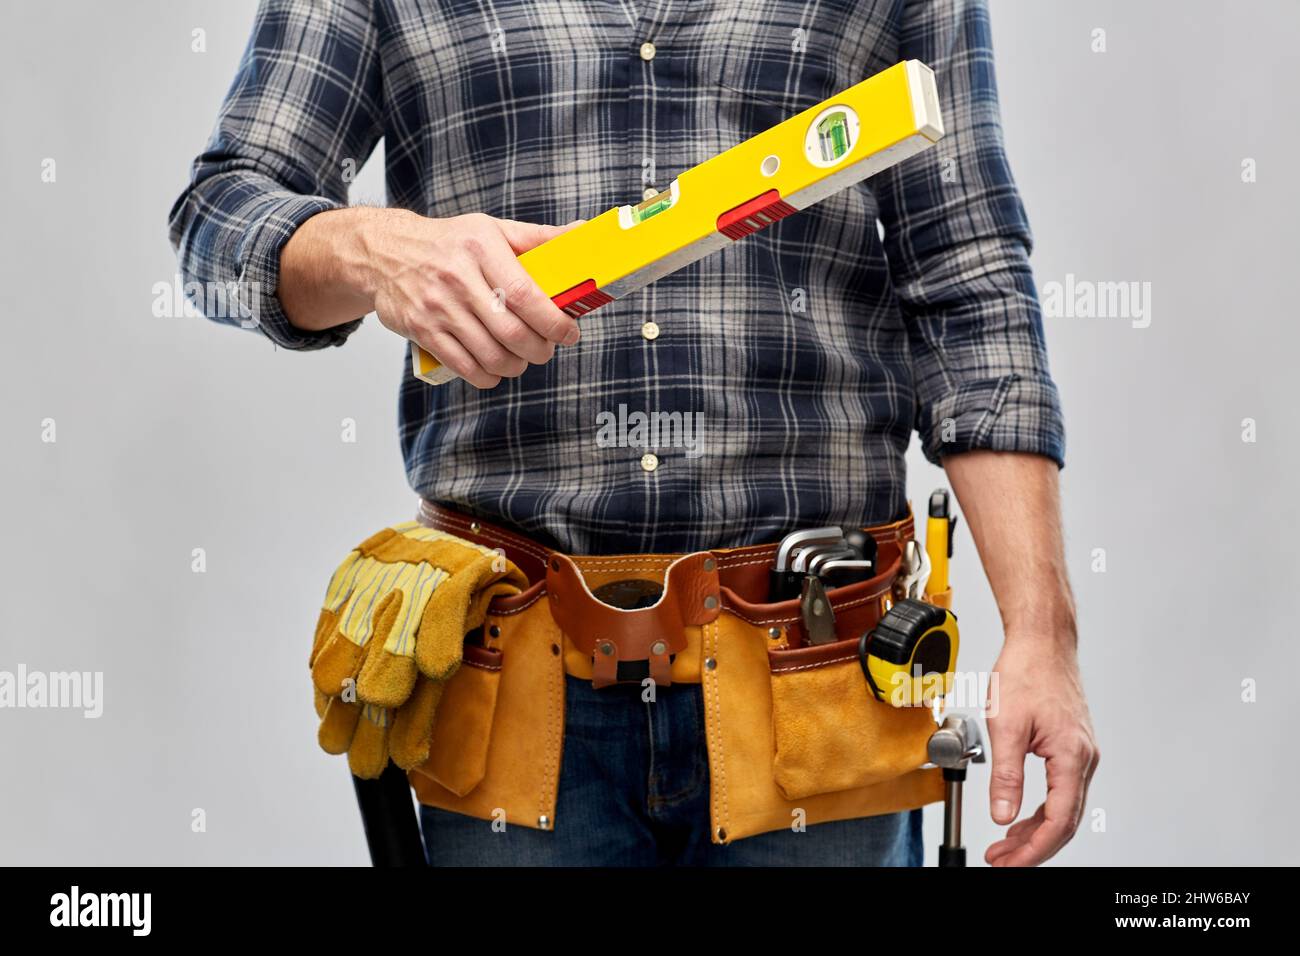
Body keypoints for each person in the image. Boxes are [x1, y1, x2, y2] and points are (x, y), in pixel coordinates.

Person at [169, 0, 1097, 867]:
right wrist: (375, 249)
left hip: (818, 679)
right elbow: (218, 224)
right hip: (510, 689)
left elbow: (967, 277)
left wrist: (1043, 635)